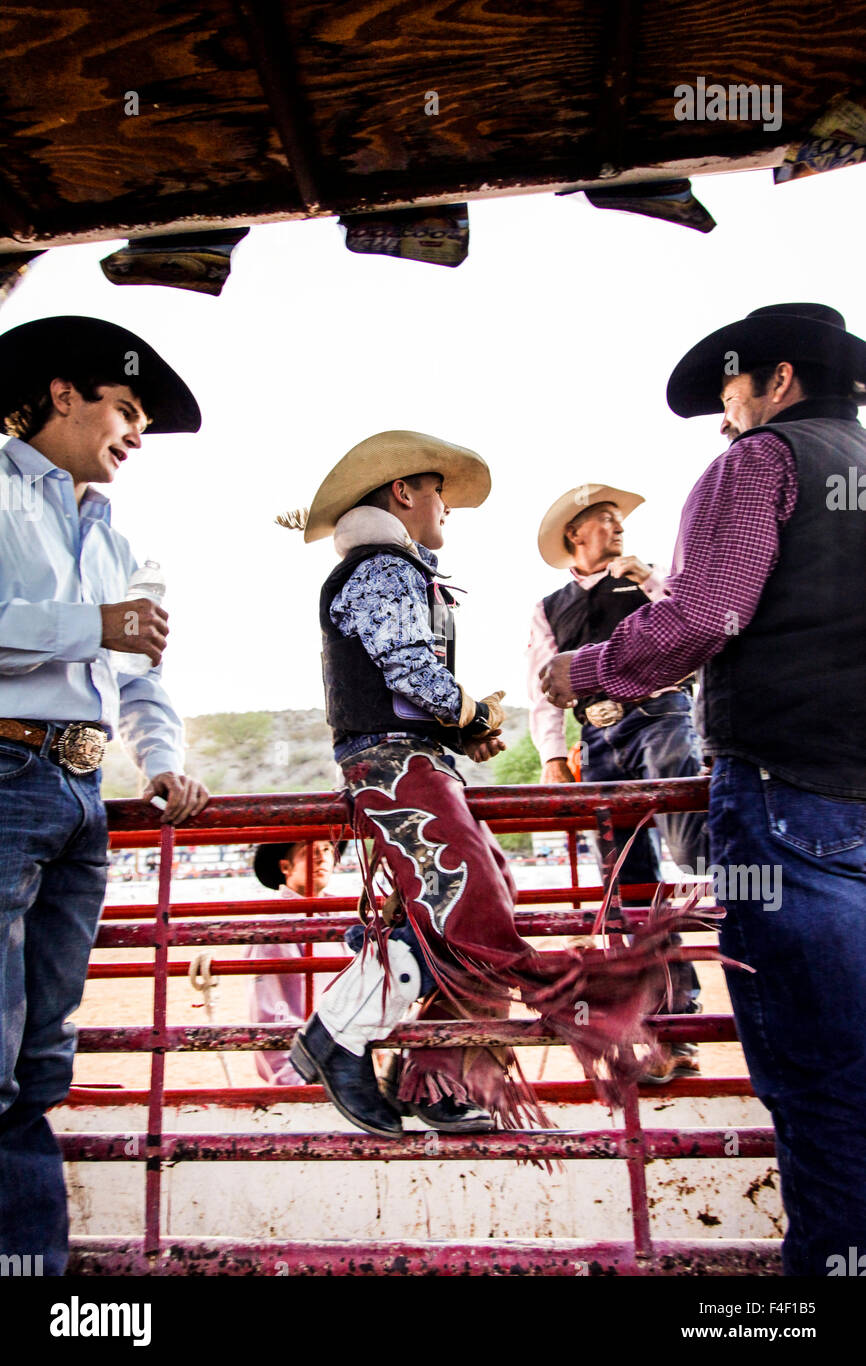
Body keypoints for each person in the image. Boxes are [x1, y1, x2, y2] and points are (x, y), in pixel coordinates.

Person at [540, 303, 866, 1276]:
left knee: (821, 1071)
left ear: (772, 380)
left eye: (730, 394)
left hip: (786, 790)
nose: (725, 417)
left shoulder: (759, 461)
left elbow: (705, 612)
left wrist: (585, 673)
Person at [282, 430, 680, 1139]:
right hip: (398, 765)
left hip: (403, 760)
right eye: (439, 493)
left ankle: (438, 1074)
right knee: (470, 902)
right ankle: (339, 1035)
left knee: (470, 895)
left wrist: (460, 729)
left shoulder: (391, 568)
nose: (446, 510)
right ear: (404, 492)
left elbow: (399, 681)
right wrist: (472, 713)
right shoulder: (386, 568)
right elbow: (408, 669)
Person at [0, 314, 209, 1275]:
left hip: (79, 793)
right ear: (62, 395)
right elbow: (102, 635)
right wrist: (98, 622)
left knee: (40, 1059)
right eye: (125, 409)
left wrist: (159, 758)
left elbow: (145, 674)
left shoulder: (114, 538)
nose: (133, 434)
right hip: (6, 782)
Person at [528, 484, 707, 1080]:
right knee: (630, 885)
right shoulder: (549, 607)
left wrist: (649, 577)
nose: (618, 527)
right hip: (600, 735)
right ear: (575, 535)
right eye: (605, 520)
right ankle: (670, 1031)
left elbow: (696, 619)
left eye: (618, 519)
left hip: (660, 714)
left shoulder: (649, 580)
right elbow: (542, 688)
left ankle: (740, 891)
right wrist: (553, 758)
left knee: (686, 846)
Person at [247, 839, 348, 1085]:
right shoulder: (277, 927)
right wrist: (293, 1084)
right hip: (315, 1073)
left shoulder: (343, 915)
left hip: (348, 1065)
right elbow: (271, 1015)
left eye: (326, 849)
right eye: (309, 852)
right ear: (285, 867)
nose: (322, 857)